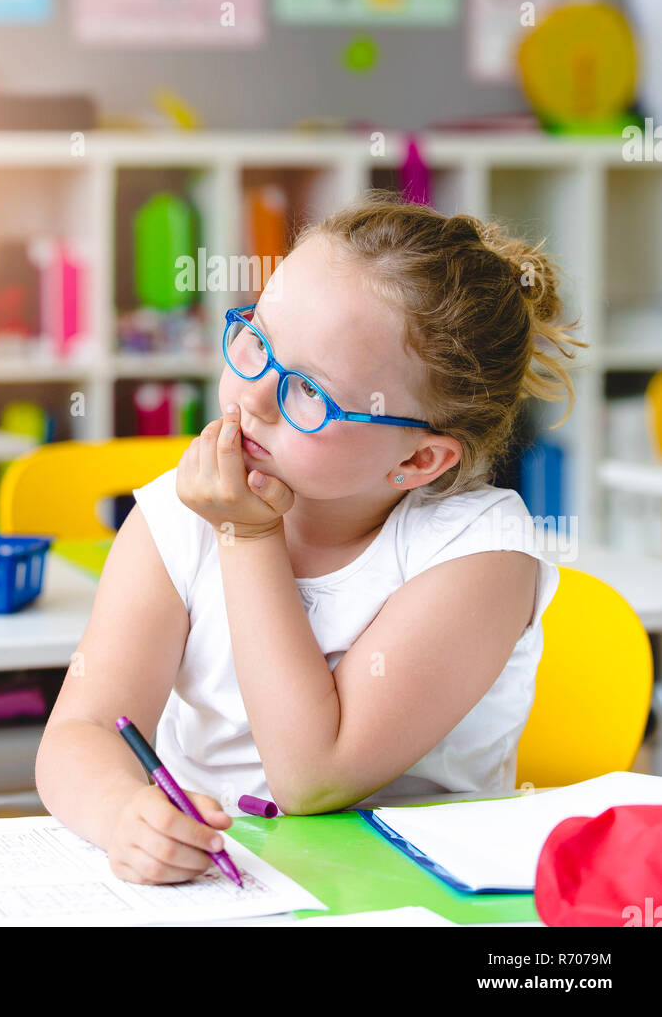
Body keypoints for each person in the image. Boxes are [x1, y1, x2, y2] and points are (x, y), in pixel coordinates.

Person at [36, 188, 587, 887]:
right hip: (220, 895)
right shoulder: (177, 522)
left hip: (408, 901)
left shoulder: (480, 555)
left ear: (418, 460)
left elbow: (312, 778)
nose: (252, 397)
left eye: (308, 390)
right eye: (257, 340)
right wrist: (123, 815)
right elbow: (80, 733)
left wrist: (247, 535)